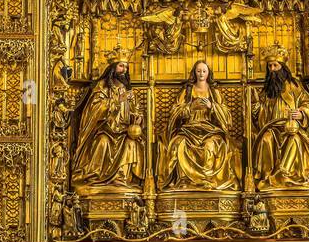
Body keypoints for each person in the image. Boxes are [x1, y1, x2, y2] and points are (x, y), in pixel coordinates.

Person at [157, 60, 241, 191]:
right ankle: (184, 179)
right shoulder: (187, 91)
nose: (201, 74)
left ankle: (207, 179)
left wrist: (212, 107)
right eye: (198, 71)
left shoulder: (214, 92)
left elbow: (226, 115)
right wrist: (190, 107)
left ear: (208, 73)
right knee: (179, 143)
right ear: (194, 73)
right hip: (189, 129)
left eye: (204, 71)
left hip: (210, 129)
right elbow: (175, 112)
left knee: (211, 145)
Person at [71, 50, 145, 194]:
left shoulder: (128, 91)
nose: (123, 70)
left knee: (131, 144)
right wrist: (117, 101)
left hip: (123, 132)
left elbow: (137, 110)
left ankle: (121, 178)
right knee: (103, 142)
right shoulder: (102, 86)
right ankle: (95, 176)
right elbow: (95, 109)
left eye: (126, 67)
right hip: (104, 130)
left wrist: (137, 118)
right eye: (121, 66)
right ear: (113, 68)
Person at [252, 46, 309, 189]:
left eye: (275, 65)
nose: (272, 69)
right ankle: (267, 178)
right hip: (272, 128)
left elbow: (307, 103)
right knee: (265, 138)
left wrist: (302, 113)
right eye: (270, 66)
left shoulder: (294, 85)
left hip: (291, 128)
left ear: (282, 67)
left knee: (295, 140)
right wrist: (256, 106)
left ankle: (285, 174)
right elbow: (261, 115)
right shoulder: (266, 91)